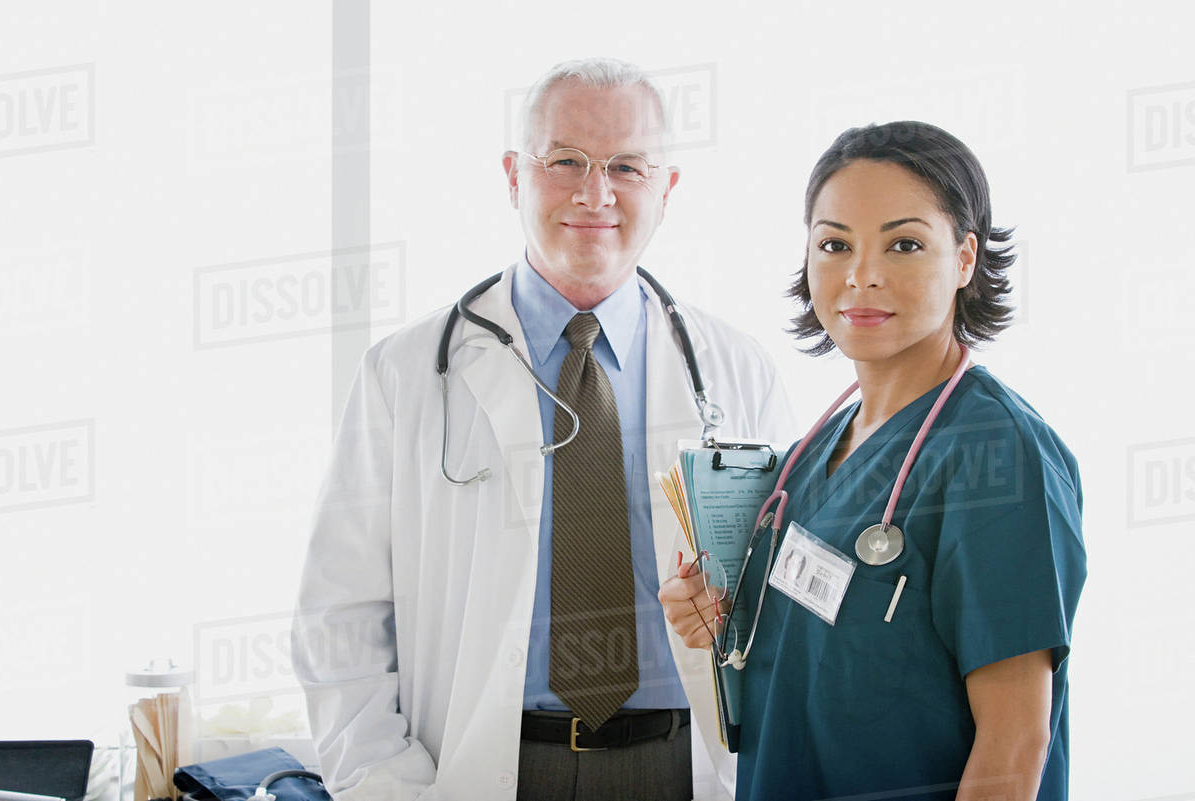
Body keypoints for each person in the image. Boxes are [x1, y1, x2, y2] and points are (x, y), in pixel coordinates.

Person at [292, 58, 793, 801]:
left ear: (667, 189)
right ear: (513, 175)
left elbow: (785, 603)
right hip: (486, 770)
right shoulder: (403, 375)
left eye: (627, 165)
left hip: (684, 768)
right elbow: (340, 614)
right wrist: (384, 787)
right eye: (566, 161)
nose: (596, 192)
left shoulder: (737, 369)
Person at [659, 121, 1086, 801]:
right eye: (834, 244)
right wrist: (714, 617)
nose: (861, 274)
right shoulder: (812, 453)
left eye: (905, 244)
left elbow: (1015, 747)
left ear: (966, 258)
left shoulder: (997, 456)